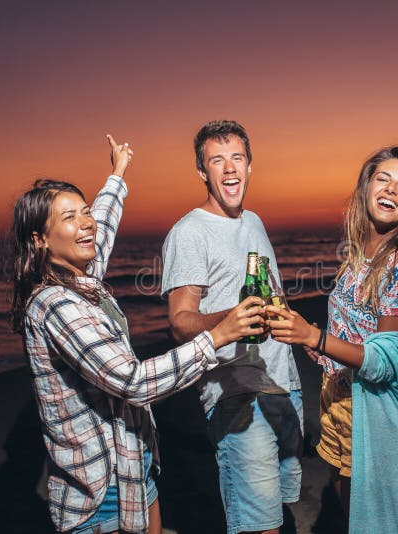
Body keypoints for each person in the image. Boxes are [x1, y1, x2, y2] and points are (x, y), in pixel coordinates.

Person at [8, 135, 265, 534]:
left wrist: (118, 172)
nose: (86, 222)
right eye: (69, 217)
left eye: (85, 211)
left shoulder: (82, 277)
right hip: (98, 490)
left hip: (134, 463)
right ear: (40, 239)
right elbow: (131, 382)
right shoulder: (55, 304)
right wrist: (216, 337)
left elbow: (103, 225)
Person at [266, 146, 398, 533]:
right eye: (383, 178)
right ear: (366, 187)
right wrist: (301, 334)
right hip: (338, 402)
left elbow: (385, 363)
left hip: (377, 414)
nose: (391, 189)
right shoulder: (360, 255)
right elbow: (348, 337)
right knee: (354, 514)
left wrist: (314, 336)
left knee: (379, 522)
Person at [161, 120, 303, 534]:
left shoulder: (254, 221)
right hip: (238, 394)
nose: (228, 169)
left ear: (250, 166)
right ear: (202, 172)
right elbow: (179, 321)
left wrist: (300, 332)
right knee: (260, 524)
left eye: (236, 158)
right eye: (216, 160)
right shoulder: (189, 233)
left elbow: (273, 292)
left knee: (279, 506)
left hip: (283, 383)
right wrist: (230, 319)